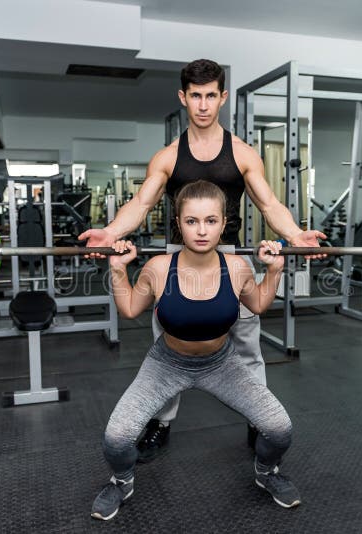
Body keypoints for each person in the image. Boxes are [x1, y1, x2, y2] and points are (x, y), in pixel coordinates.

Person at [79, 59, 325, 460]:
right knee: (166, 341)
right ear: (183, 97)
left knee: (247, 342)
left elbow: (268, 204)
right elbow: (140, 203)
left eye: (211, 95)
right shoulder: (168, 157)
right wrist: (111, 233)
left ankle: (257, 419)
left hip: (229, 259)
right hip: (177, 261)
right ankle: (161, 422)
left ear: (223, 97)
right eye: (196, 96)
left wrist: (296, 235)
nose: (204, 105)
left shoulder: (242, 154)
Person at [92, 181, 300, 521]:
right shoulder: (159, 268)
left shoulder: (237, 267)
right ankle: (122, 481)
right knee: (116, 438)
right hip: (166, 364)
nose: (201, 231)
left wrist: (275, 270)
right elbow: (129, 309)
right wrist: (117, 269)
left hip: (222, 364)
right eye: (192, 221)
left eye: (210, 221)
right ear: (178, 223)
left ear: (223, 223)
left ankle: (266, 472)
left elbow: (259, 304)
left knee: (279, 429)